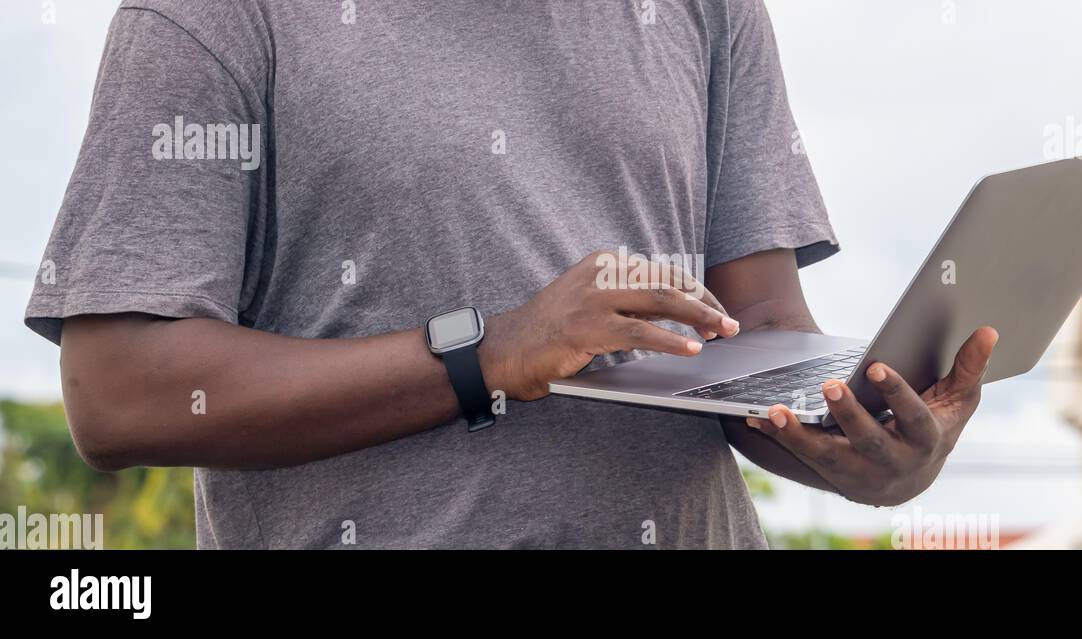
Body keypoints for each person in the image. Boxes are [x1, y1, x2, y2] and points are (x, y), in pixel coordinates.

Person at [25, 0, 996, 549]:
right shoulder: (212, 16)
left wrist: (864, 443)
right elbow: (118, 393)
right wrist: (486, 355)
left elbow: (761, 327)